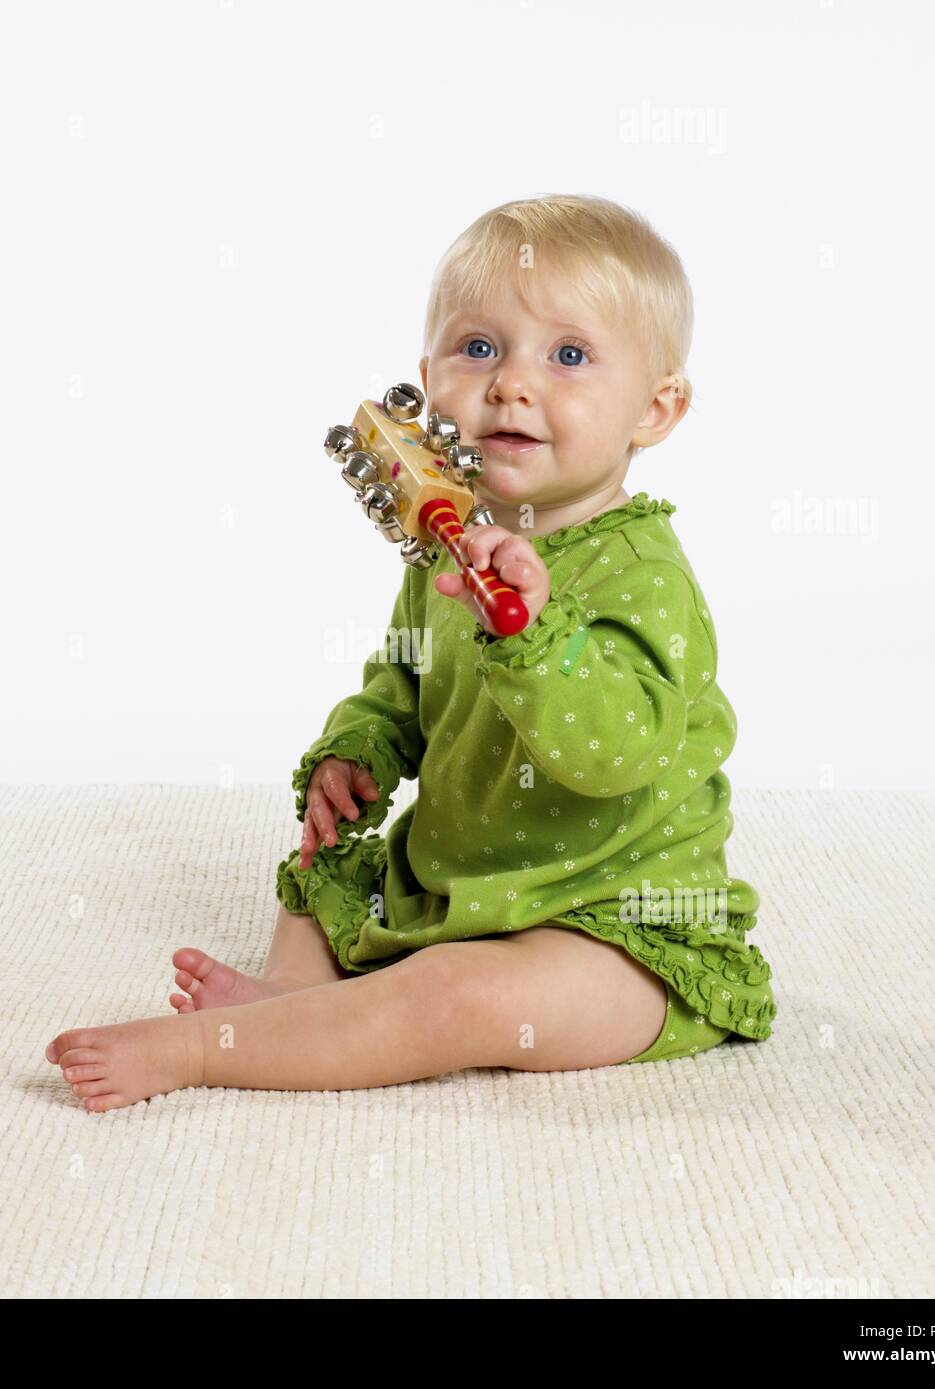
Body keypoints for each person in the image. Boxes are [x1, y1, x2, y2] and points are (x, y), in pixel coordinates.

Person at [46, 194, 778, 1110]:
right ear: (425, 381)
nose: (512, 384)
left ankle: (208, 1049)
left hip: (614, 925)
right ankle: (297, 1009)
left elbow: (611, 751)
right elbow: (403, 680)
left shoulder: (642, 573)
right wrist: (360, 749)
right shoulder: (448, 544)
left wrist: (530, 629)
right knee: (322, 871)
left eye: (570, 355)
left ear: (657, 409)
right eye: (478, 348)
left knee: (457, 995)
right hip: (461, 886)